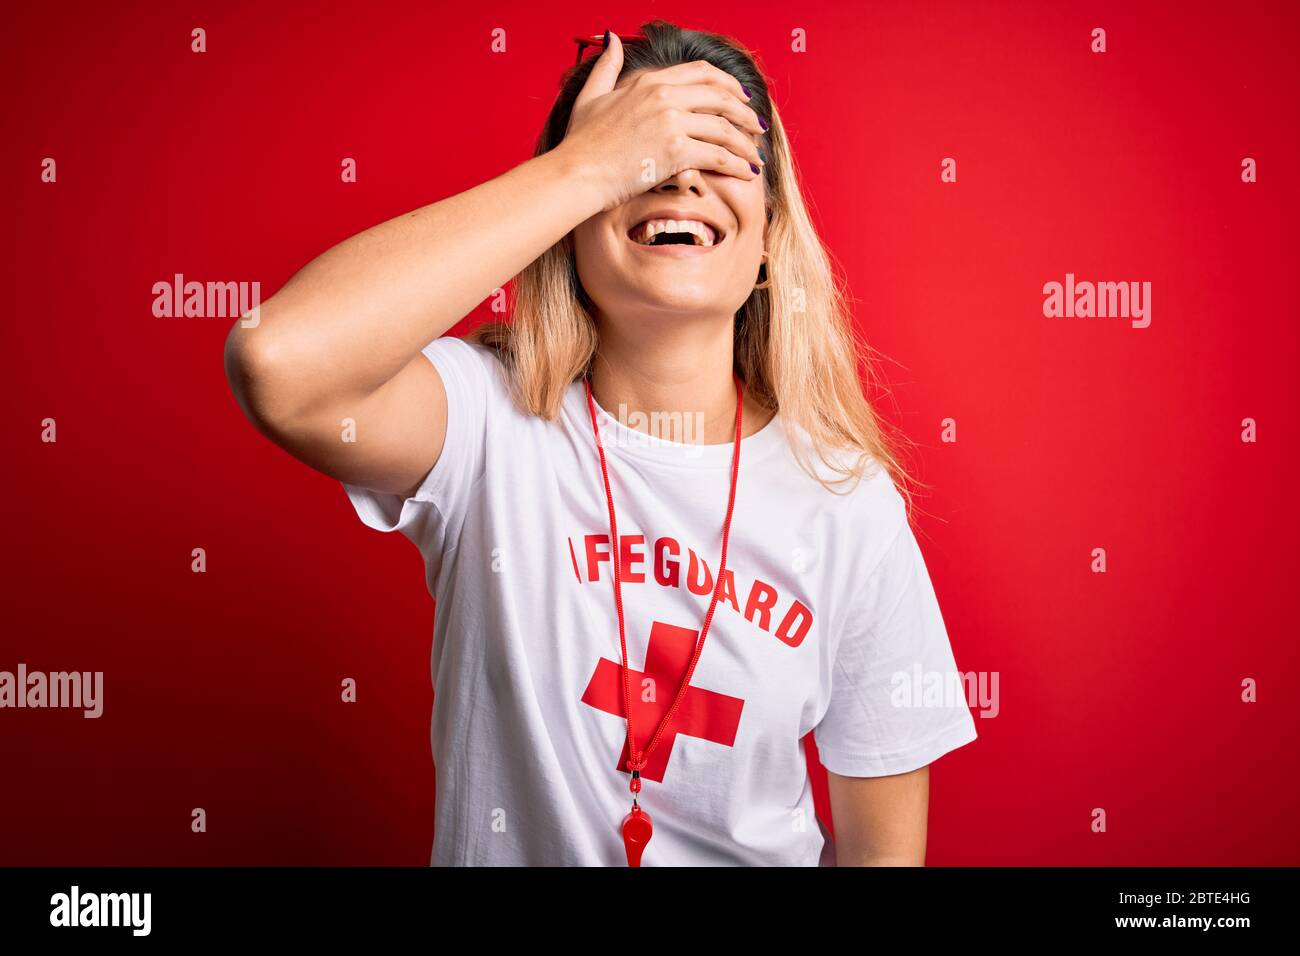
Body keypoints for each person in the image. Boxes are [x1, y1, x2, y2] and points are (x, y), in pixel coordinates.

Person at [223, 19, 977, 866]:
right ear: (569, 226)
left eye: (721, 155)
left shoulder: (847, 504)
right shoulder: (486, 424)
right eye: (646, 155)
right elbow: (275, 360)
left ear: (769, 238)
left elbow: (884, 857)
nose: (680, 177)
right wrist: (585, 167)